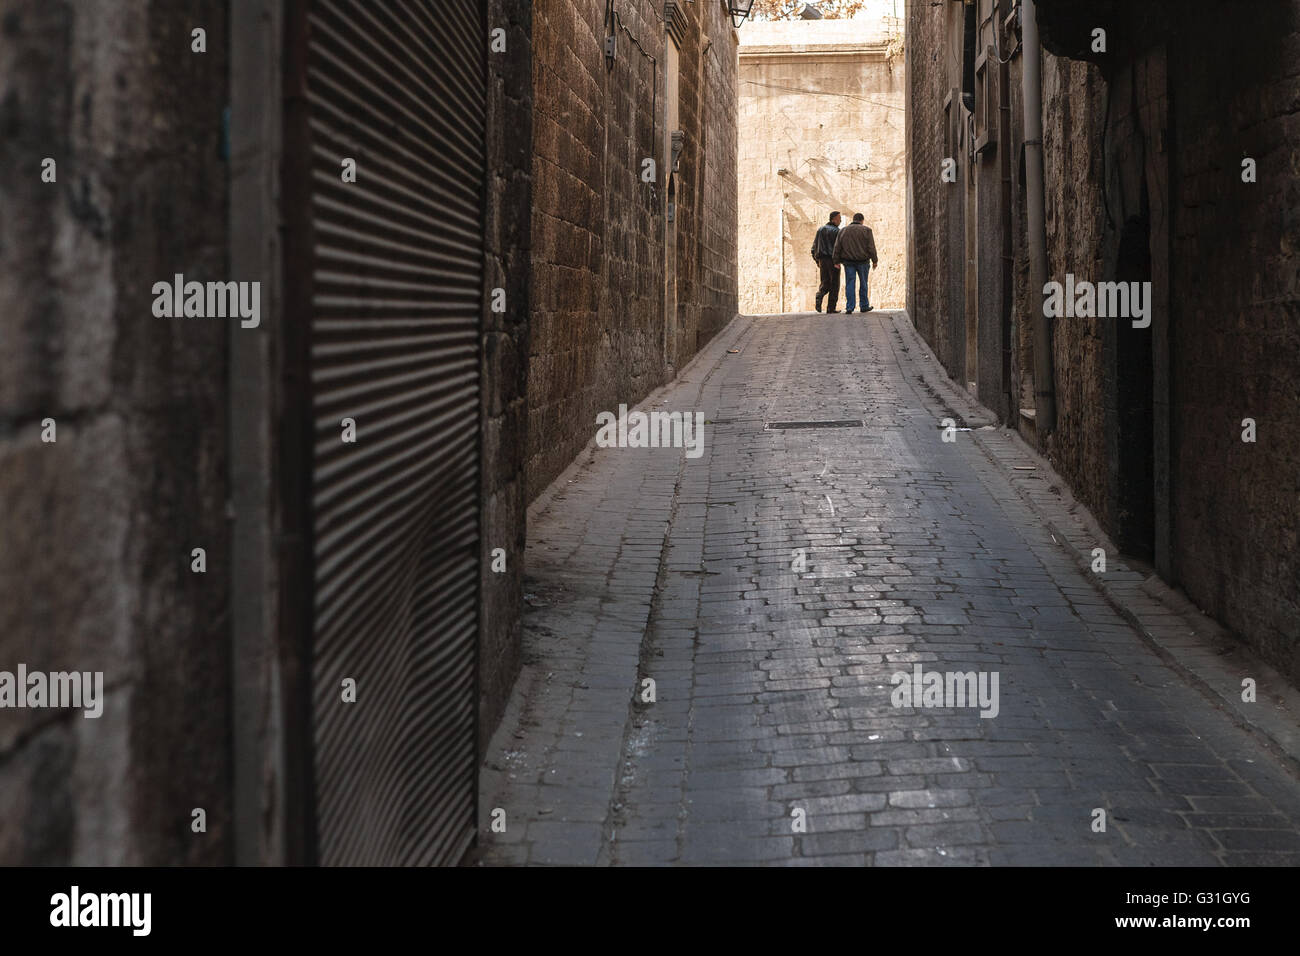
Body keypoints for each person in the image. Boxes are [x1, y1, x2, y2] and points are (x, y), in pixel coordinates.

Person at [832, 212, 879, 313]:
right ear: (862, 221)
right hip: (863, 262)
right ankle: (864, 305)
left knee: (850, 284)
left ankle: (850, 307)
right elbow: (871, 247)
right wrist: (875, 260)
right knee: (863, 283)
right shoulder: (867, 230)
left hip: (848, 262)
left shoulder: (843, 231)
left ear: (853, 220)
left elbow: (837, 247)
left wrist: (836, 261)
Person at [811, 211, 842, 313]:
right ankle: (831, 308)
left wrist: (818, 261)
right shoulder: (837, 231)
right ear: (834, 219)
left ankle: (820, 295)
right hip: (833, 261)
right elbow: (839, 248)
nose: (840, 220)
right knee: (834, 284)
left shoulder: (820, 230)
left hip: (822, 260)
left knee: (825, 282)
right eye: (839, 218)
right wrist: (838, 261)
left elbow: (813, 248)